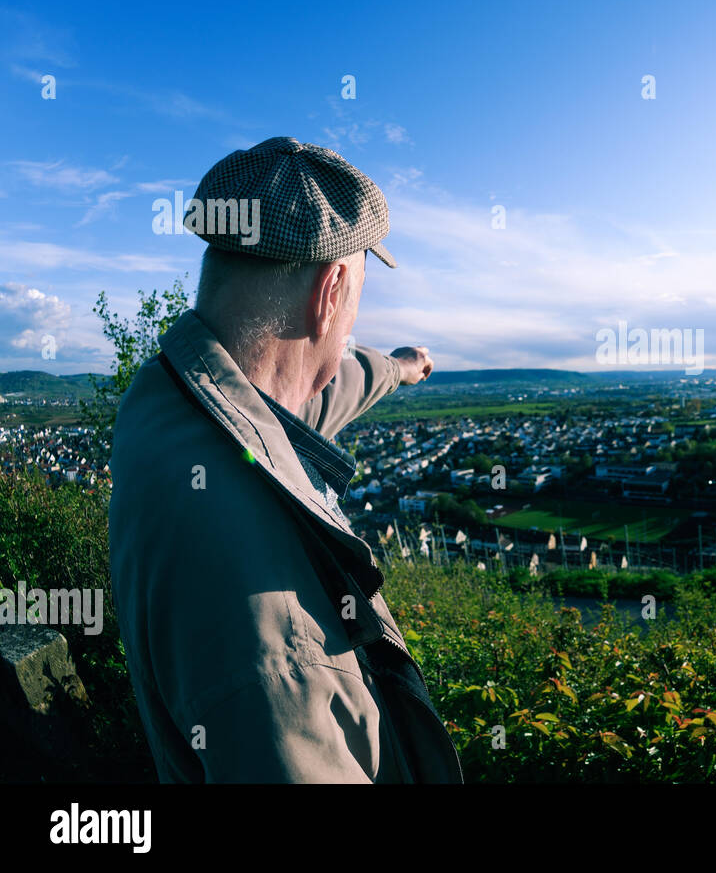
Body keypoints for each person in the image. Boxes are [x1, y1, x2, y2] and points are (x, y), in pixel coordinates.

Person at [108, 137, 463, 782]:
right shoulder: (274, 635)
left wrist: (399, 367)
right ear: (331, 290)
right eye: (357, 290)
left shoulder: (166, 398)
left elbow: (317, 393)